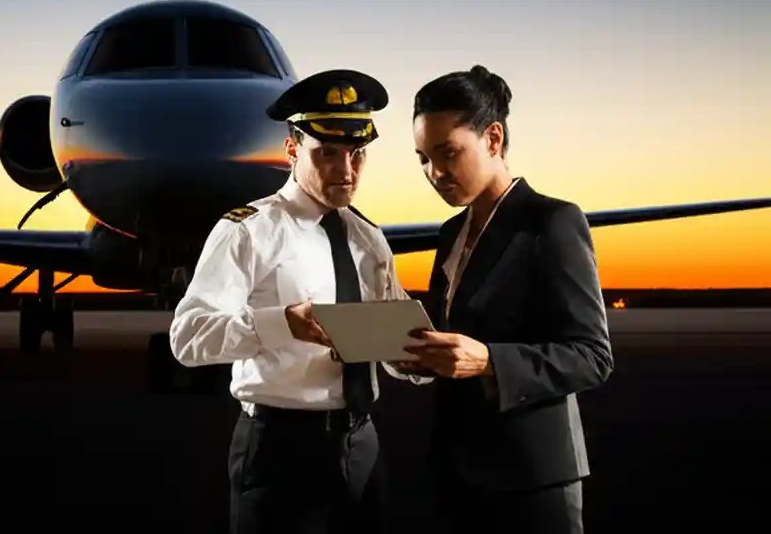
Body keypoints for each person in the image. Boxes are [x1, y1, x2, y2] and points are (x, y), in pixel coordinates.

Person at [169, 69, 430, 534]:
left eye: (356, 155)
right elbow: (188, 338)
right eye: (327, 154)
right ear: (292, 149)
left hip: (362, 442)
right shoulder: (248, 231)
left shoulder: (368, 238)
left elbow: (389, 345)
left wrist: (418, 356)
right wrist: (282, 322)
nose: (345, 172)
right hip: (280, 450)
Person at [397, 64, 614, 533]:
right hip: (456, 473)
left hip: (533, 479)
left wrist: (490, 361)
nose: (435, 173)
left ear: (493, 139)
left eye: (448, 153)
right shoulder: (451, 232)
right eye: (421, 158)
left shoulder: (551, 222)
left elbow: (593, 357)